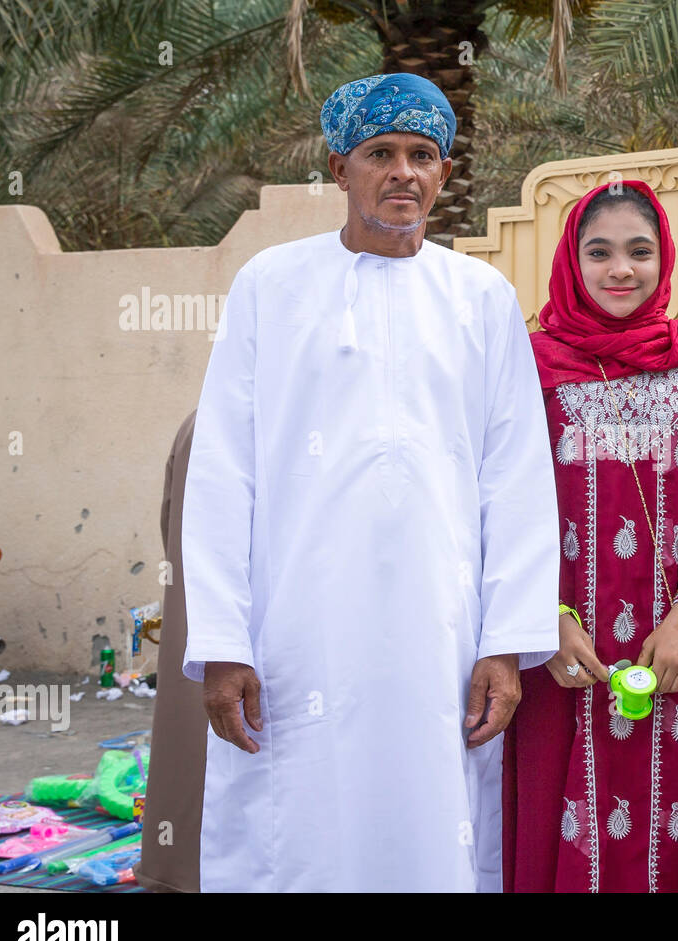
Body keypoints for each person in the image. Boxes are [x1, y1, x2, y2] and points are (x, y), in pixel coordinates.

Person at [181, 73, 560, 892]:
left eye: (422, 155)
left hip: (443, 633)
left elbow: (518, 477)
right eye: (379, 153)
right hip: (297, 631)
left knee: (435, 822)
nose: (403, 173)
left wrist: (505, 641)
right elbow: (222, 471)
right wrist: (221, 641)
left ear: (445, 174)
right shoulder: (270, 285)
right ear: (339, 167)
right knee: (302, 822)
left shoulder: (482, 298)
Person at [502, 180, 678, 892]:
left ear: (664, 258)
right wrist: (539, 621)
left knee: (668, 823)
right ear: (571, 262)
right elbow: (501, 503)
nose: (621, 270)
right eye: (600, 252)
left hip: (661, 648)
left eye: (640, 252)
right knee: (555, 813)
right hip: (555, 651)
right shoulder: (528, 367)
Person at [136, 410, 207, 893]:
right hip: (238, 626)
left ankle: (173, 870)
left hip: (193, 609)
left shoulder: (197, 418)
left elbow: (169, 520)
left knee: (188, 742)